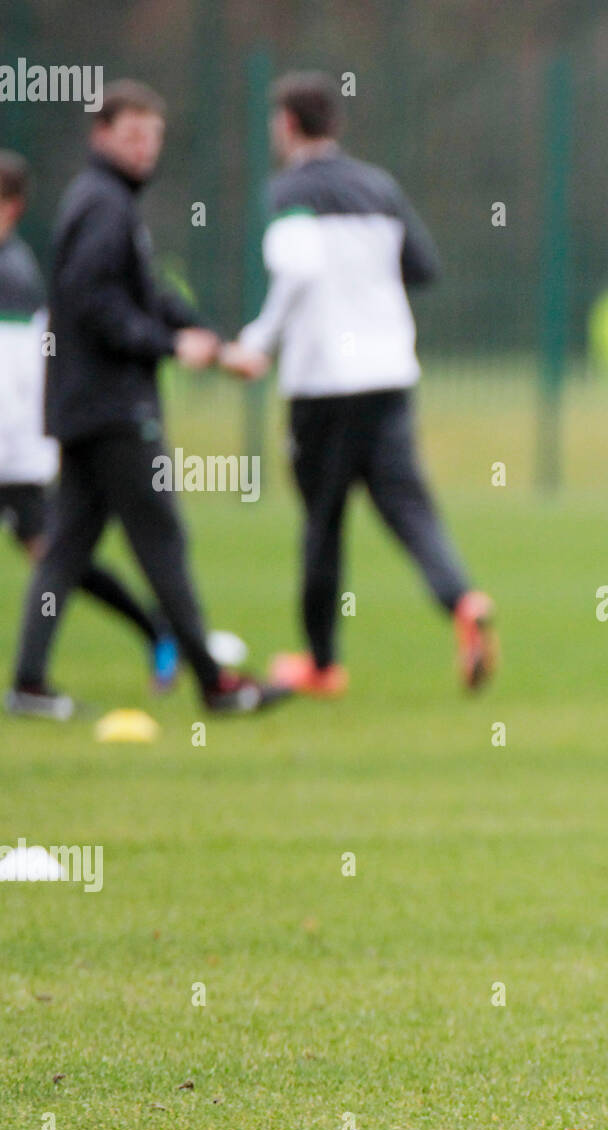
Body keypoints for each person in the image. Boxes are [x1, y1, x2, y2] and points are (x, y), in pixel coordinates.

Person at [6, 81, 286, 718]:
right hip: (113, 409)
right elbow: (94, 304)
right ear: (100, 135)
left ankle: (28, 684)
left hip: (83, 406)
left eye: (151, 137)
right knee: (161, 541)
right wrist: (167, 345)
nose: (142, 149)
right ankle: (216, 684)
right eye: (130, 135)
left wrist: (210, 345)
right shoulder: (104, 206)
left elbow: (146, 293)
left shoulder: (106, 203)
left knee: (67, 545)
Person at [221, 71, 497, 697]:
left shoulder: (287, 190)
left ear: (287, 124)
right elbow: (422, 268)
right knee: (408, 507)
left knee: (323, 522)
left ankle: (322, 664)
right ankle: (462, 602)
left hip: (323, 385)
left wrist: (257, 343)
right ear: (335, 125)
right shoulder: (379, 187)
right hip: (389, 374)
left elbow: (295, 271)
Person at [0, 149, 181, 693]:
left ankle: (158, 631)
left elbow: (17, 381)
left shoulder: (13, 276)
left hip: (14, 448)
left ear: (12, 206)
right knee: (57, 554)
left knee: (56, 555)